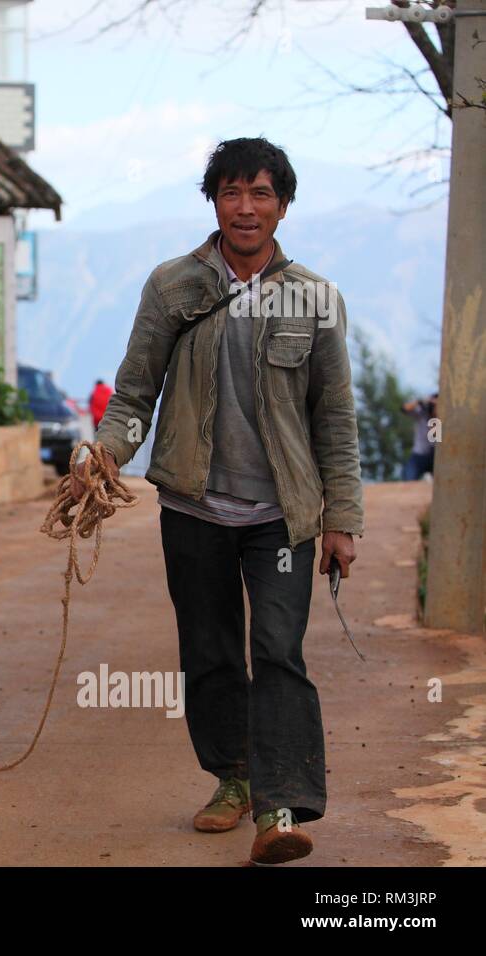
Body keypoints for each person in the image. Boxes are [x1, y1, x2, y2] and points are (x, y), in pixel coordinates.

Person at [71, 137, 364, 865]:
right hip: (194, 509)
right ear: (214, 203)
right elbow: (134, 392)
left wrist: (342, 519)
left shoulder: (316, 299)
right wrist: (105, 454)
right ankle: (232, 778)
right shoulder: (172, 285)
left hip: (283, 517)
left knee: (278, 651)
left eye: (261, 193)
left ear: (283, 205)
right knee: (209, 653)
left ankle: (280, 808)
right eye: (232, 192)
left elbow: (335, 417)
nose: (246, 208)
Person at [401, 393, 437, 480]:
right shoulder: (422, 414)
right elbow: (404, 408)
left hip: (437, 457)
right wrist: (421, 401)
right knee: (408, 478)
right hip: (419, 455)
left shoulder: (447, 418)